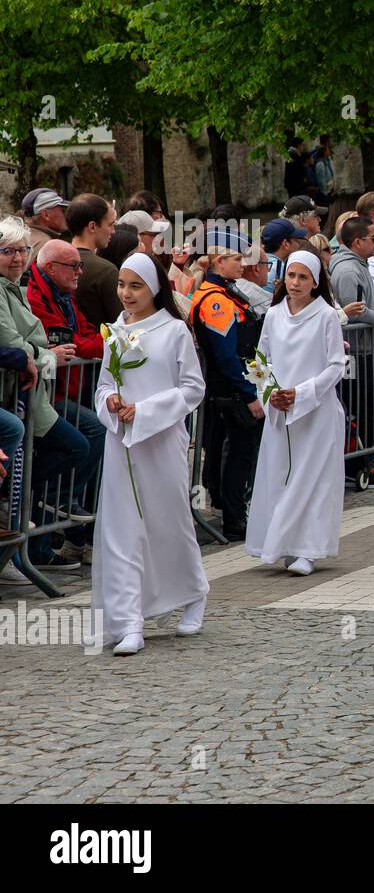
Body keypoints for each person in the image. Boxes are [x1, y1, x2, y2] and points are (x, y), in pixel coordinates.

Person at [90, 252, 207, 655]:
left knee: (168, 521)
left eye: (135, 286)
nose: (126, 293)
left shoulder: (174, 330)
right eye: (122, 285)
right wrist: (110, 404)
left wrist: (146, 410)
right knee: (122, 529)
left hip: (161, 439)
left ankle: (193, 592)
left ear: (154, 287)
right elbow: (103, 384)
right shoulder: (115, 331)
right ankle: (128, 621)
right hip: (121, 441)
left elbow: (193, 389)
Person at [244, 251, 346, 576]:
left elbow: (335, 366)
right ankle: (280, 542)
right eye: (291, 275)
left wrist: (301, 393)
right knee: (281, 476)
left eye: (303, 277)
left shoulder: (327, 316)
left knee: (312, 480)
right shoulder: (274, 315)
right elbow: (261, 360)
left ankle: (308, 549)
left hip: (316, 413)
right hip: (281, 412)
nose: (296, 283)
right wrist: (270, 393)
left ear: (315, 282)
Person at [26, 239, 108, 563]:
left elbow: (86, 334)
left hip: (62, 392)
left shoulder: (63, 296)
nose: (79, 272)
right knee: (91, 433)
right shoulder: (35, 297)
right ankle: (58, 498)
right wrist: (103, 345)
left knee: (82, 438)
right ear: (50, 268)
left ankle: (44, 547)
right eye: (73, 266)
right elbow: (71, 344)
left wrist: (102, 341)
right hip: (45, 396)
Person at [191, 233, 264, 540]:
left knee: (233, 450)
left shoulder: (221, 291)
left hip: (231, 386)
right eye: (236, 259)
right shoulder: (216, 299)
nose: (242, 264)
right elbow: (226, 355)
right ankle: (235, 519)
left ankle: (229, 509)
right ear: (219, 262)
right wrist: (248, 394)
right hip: (232, 390)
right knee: (240, 453)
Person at [329, 216, 374, 486]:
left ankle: (370, 460)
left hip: (366, 346)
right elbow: (354, 311)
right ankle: (362, 463)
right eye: (372, 238)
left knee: (370, 405)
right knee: (361, 406)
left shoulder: (360, 265)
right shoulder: (348, 271)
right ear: (357, 242)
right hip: (357, 350)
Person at [66, 194, 122, 330]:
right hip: (100, 346)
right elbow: (120, 323)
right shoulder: (105, 270)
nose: (113, 231)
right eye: (110, 225)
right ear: (92, 227)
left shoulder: (49, 261)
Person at [22, 188, 69, 261]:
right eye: (62, 211)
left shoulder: (16, 238)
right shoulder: (48, 246)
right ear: (46, 214)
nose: (66, 215)